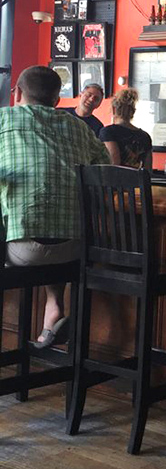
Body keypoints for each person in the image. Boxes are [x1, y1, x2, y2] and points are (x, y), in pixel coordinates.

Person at [0, 65, 111, 347]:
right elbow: (106, 173)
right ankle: (54, 308)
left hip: (20, 248)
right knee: (55, 215)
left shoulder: (3, 119)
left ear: (18, 94)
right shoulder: (80, 127)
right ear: (56, 100)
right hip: (74, 249)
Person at [99, 88, 153, 170]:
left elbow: (114, 162)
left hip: (117, 180)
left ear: (114, 109)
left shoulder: (108, 132)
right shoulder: (145, 136)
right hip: (137, 180)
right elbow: (148, 169)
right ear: (133, 112)